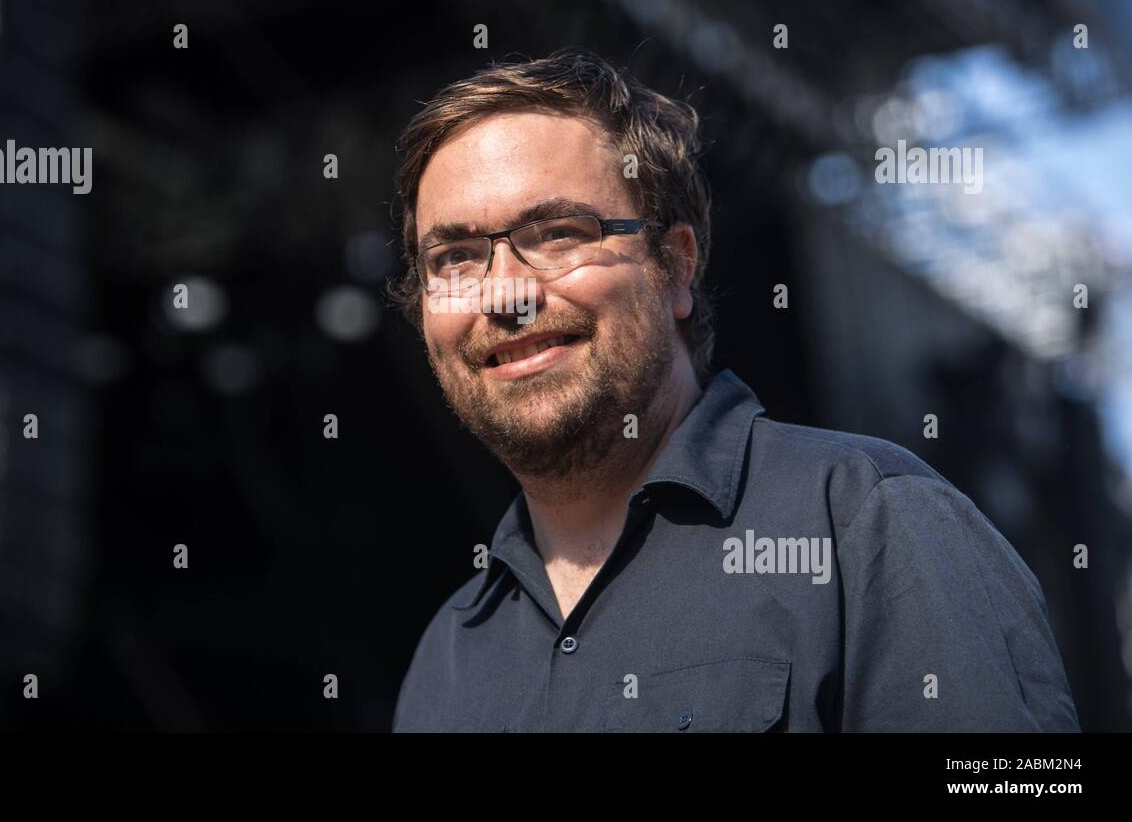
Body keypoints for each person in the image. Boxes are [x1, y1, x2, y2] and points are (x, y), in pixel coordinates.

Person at [385, 46, 1080, 732]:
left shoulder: (872, 524)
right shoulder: (445, 657)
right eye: (455, 259)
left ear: (676, 268)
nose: (507, 294)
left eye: (559, 234)